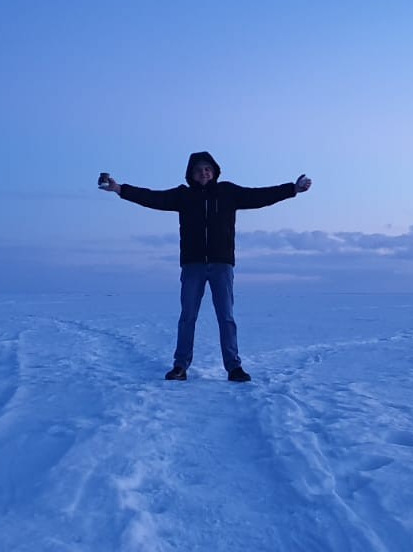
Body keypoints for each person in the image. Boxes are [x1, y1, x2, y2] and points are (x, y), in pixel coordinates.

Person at [99, 151, 312, 382]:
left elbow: (259, 196)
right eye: (199, 169)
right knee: (187, 317)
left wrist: (293, 189)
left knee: (226, 317)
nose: (204, 172)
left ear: (214, 171)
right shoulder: (183, 196)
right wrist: (120, 189)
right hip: (193, 266)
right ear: (191, 173)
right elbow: (153, 198)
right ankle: (180, 366)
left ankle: (234, 368)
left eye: (208, 168)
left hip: (222, 265)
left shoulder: (228, 192)